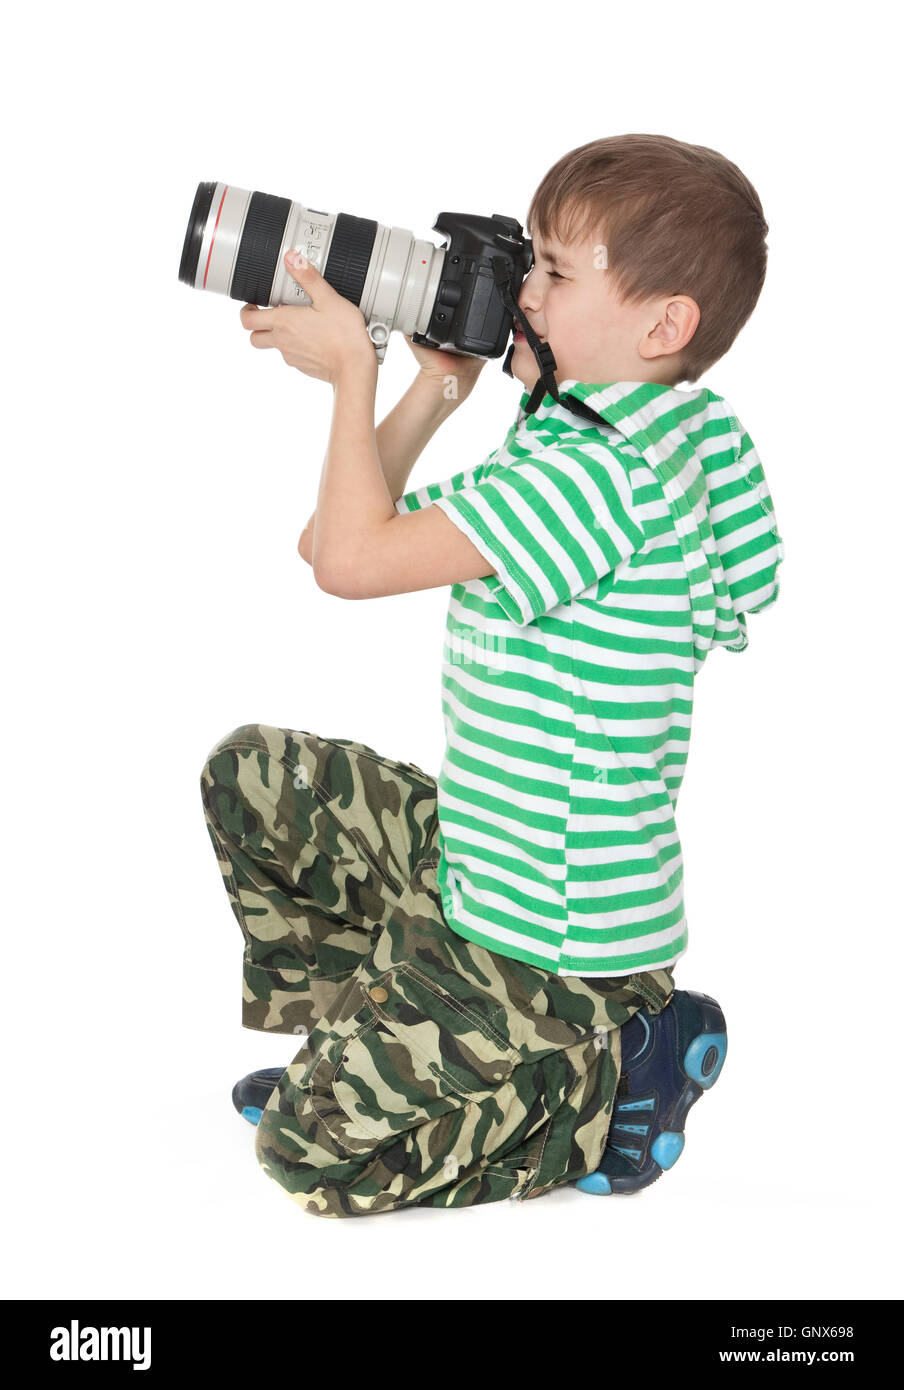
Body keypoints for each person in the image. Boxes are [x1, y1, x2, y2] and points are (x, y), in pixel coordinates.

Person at [199, 133, 783, 1216]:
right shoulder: (592, 437)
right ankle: (378, 1047)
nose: (524, 289)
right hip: (488, 858)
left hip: (546, 944)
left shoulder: (594, 481)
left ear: (664, 326)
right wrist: (435, 387)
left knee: (307, 1161)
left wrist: (352, 372)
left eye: (557, 273)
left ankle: (605, 1086)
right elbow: (332, 534)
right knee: (256, 779)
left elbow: (349, 564)